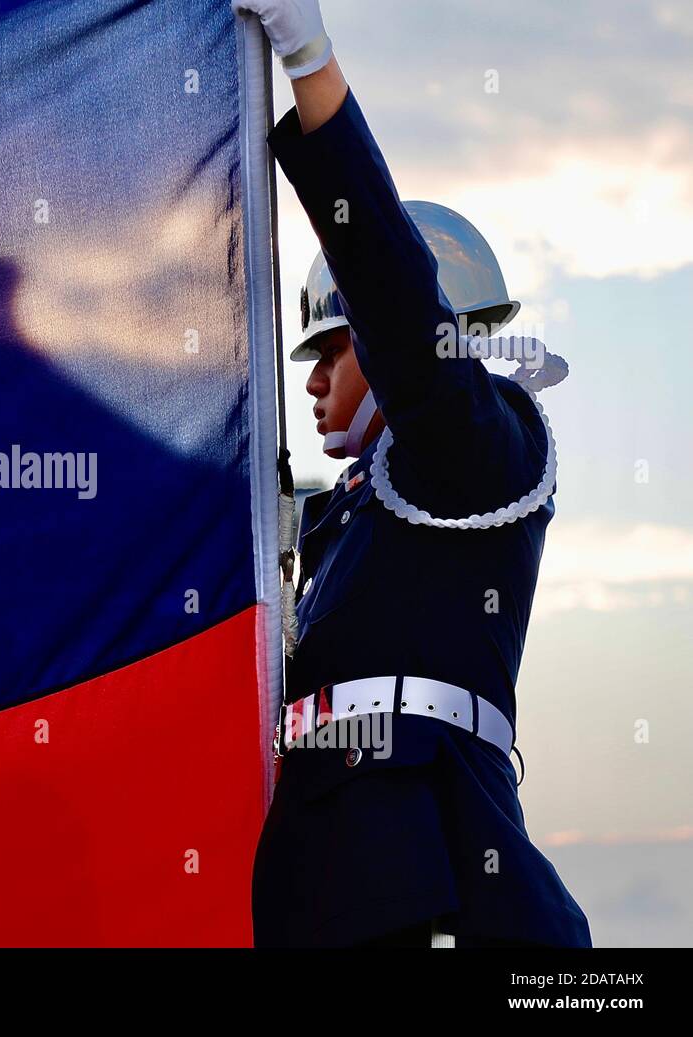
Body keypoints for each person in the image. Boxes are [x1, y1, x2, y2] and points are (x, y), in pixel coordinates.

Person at [232, 0, 591, 947]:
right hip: (323, 889)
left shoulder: (478, 450)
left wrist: (312, 65)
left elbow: (395, 298)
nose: (310, 379)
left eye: (334, 347)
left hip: (434, 886)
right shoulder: (334, 523)